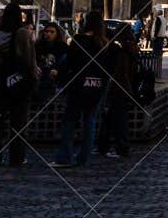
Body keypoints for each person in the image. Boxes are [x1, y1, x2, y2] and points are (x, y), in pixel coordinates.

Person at [0, 2, 39, 169]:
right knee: (19, 122)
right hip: (19, 83)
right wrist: (33, 80)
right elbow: (29, 61)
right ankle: (16, 158)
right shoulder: (23, 33)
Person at [53, 12, 110, 166]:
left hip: (79, 86)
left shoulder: (79, 40)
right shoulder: (104, 43)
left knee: (69, 121)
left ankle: (65, 157)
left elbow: (70, 61)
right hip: (96, 86)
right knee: (90, 122)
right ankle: (83, 158)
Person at [97, 24, 137, 159]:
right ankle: (104, 146)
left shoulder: (121, 50)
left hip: (119, 88)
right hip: (125, 87)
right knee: (112, 119)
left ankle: (121, 147)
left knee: (118, 119)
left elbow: (120, 72)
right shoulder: (130, 46)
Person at [34, 19, 71, 103]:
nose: (48, 34)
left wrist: (59, 71)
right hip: (40, 75)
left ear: (57, 33)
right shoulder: (38, 45)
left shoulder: (62, 46)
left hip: (55, 77)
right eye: (46, 31)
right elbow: (33, 59)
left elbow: (68, 63)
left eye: (52, 32)